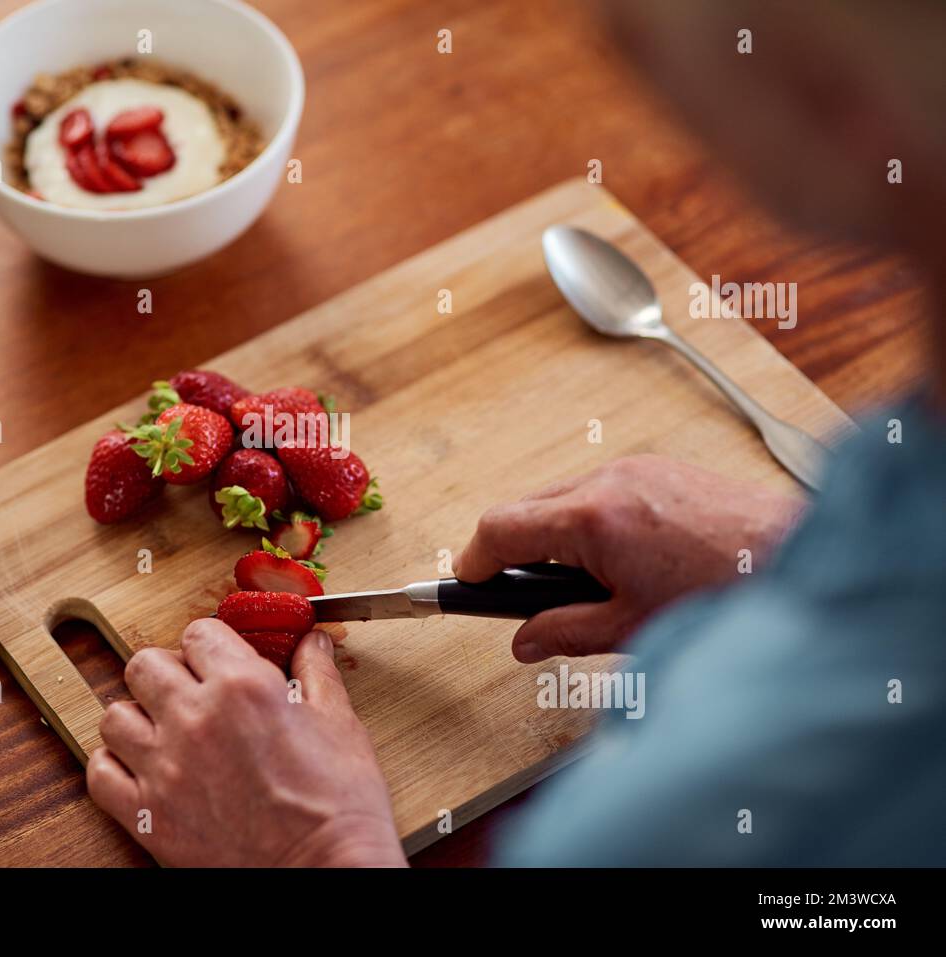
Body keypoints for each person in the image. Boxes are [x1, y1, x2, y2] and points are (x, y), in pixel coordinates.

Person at [85, 0, 946, 866]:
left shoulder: (697, 812)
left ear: (840, 97)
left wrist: (317, 846)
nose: (615, 32)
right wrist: (787, 553)